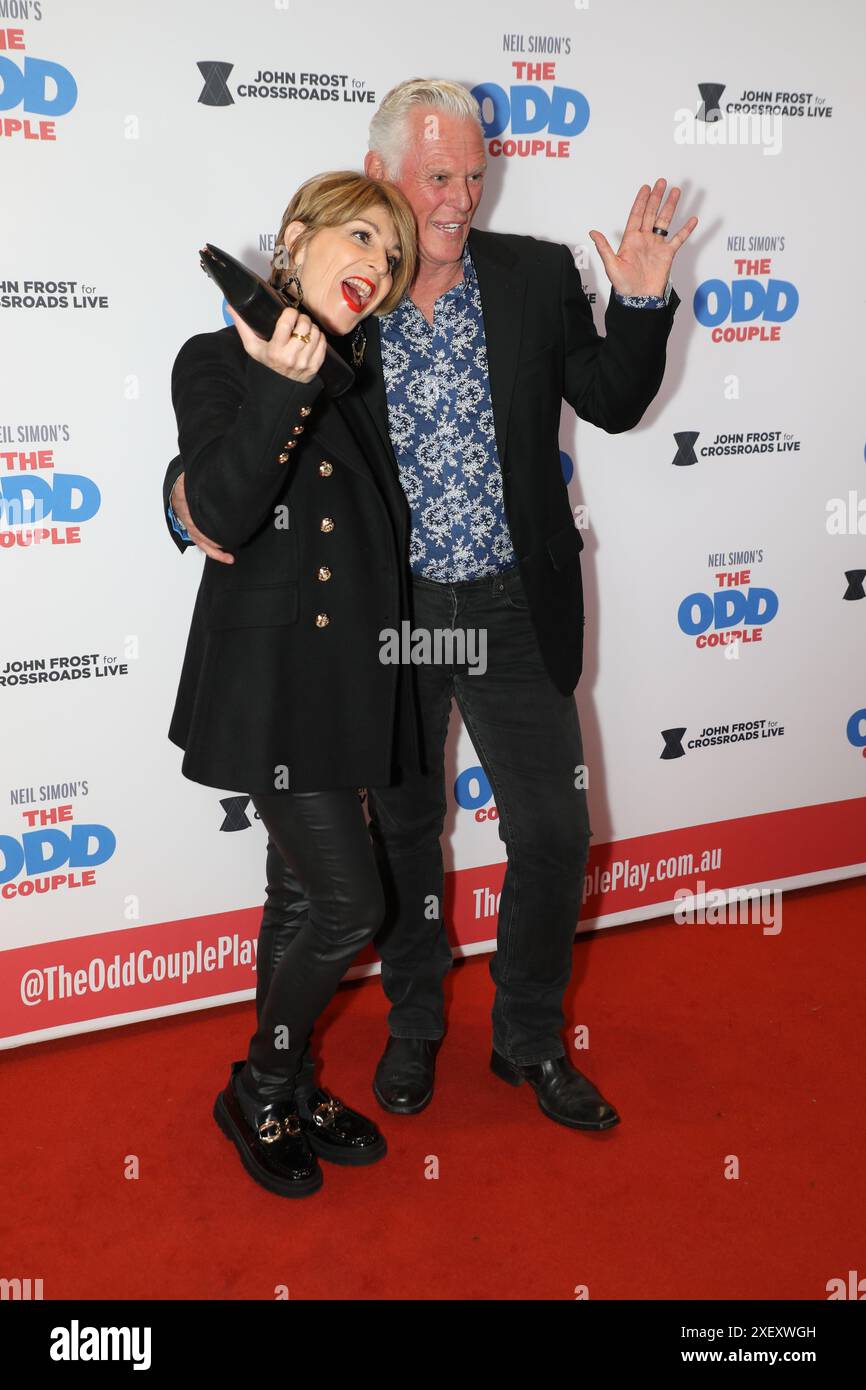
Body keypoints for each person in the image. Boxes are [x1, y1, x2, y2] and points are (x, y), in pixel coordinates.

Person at [164, 78, 697, 1133]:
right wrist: (179, 503)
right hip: (384, 616)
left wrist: (637, 304)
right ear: (381, 177)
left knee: (551, 829)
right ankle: (414, 1026)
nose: (457, 197)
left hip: (504, 600)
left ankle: (529, 1038)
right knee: (406, 834)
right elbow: (238, 421)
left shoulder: (535, 273)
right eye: (435, 174)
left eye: (471, 173)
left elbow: (612, 400)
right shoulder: (339, 302)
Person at [167, 170, 418, 1196]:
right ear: (295, 239)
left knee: (297, 892)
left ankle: (284, 1077)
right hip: (266, 682)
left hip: (345, 683)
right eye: (361, 235)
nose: (377, 264)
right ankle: (262, 1082)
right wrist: (276, 378)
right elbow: (217, 511)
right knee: (353, 904)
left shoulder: (358, 383)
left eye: (392, 257)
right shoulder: (214, 360)